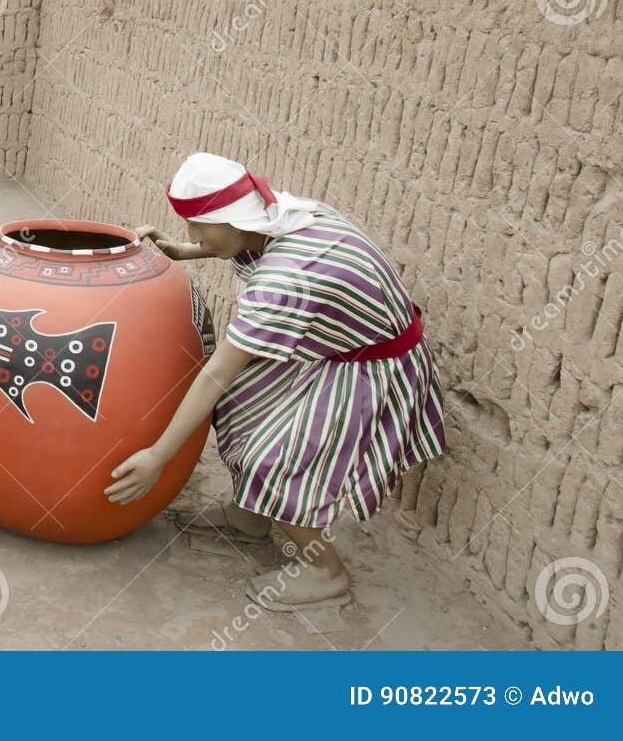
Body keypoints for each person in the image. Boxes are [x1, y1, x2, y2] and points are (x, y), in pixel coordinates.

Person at [107, 152, 446, 611]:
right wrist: (184, 252)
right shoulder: (283, 215)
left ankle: (325, 572)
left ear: (232, 218)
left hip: (372, 368)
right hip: (333, 347)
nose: (193, 236)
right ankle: (251, 520)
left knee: (278, 455)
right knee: (242, 405)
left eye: (199, 227)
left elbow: (217, 373)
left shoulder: (287, 279)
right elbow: (239, 244)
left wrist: (158, 456)